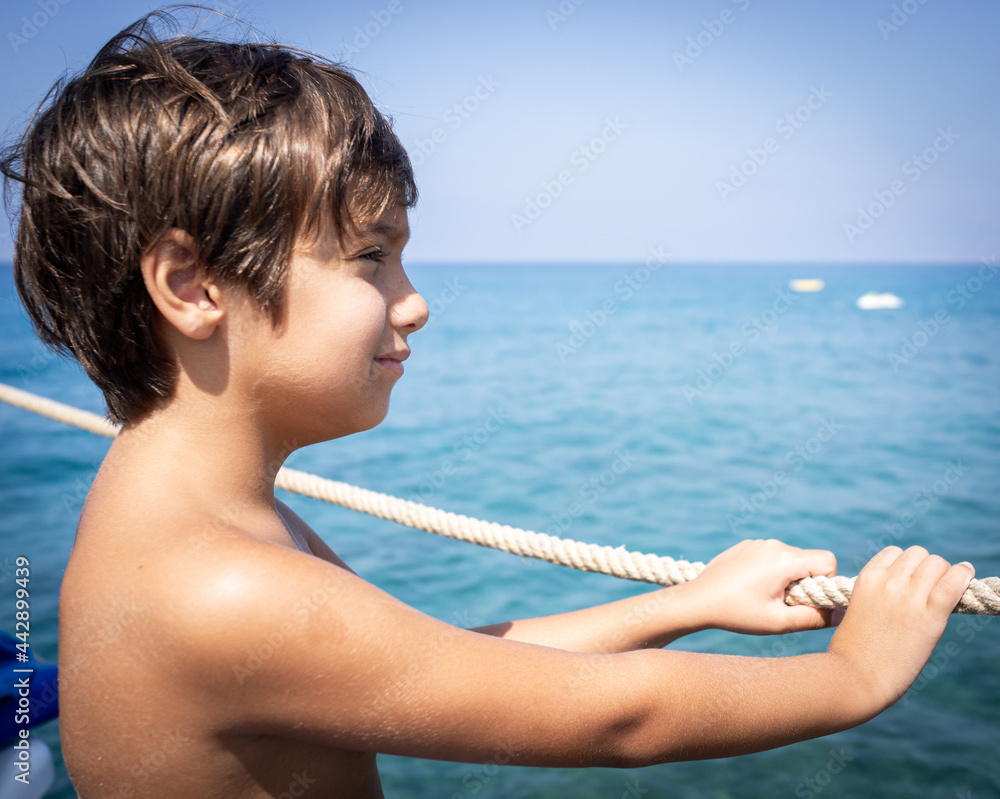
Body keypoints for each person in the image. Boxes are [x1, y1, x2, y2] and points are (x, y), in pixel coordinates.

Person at [0, 10, 976, 799]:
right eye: (369, 257)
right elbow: (614, 717)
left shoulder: (187, 520)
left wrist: (686, 604)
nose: (413, 300)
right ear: (193, 285)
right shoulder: (218, 586)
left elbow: (439, 664)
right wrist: (852, 679)